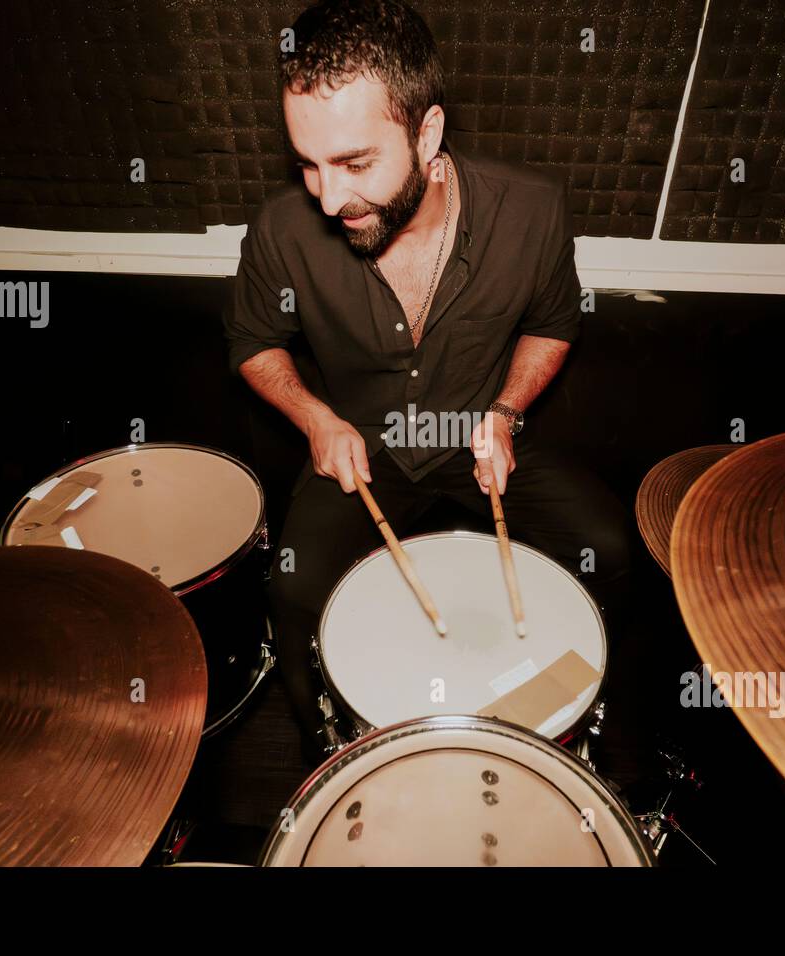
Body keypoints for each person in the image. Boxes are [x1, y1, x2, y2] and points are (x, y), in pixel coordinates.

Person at [225, 0, 630, 760]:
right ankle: (332, 758)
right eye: (307, 164)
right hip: (361, 447)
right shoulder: (284, 229)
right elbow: (253, 343)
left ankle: (563, 736)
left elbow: (554, 325)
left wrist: (507, 411)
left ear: (428, 132)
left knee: (607, 547)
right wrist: (315, 417)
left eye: (354, 163)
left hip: (478, 435)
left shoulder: (531, 212)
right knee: (290, 588)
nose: (329, 197)